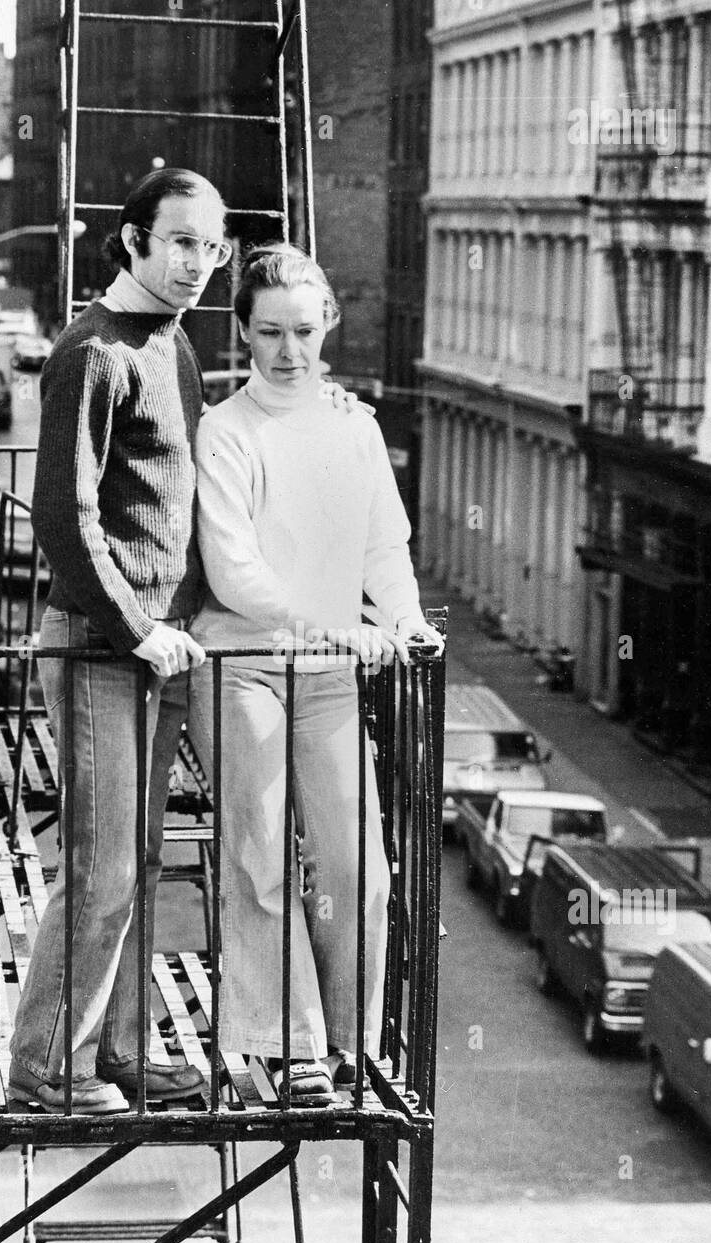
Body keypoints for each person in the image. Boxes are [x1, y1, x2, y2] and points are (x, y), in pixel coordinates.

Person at [10, 171, 367, 1115]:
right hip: (100, 644)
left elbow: (185, 516)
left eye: (211, 248)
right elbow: (63, 514)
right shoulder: (91, 352)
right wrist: (137, 630)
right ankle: (48, 1069)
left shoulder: (170, 350)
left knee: (142, 864)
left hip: (162, 647)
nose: (197, 264)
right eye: (178, 242)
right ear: (130, 242)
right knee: (104, 864)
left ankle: (119, 1054)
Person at [187, 245, 443, 1102]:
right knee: (259, 854)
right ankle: (289, 1047)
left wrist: (402, 619)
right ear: (244, 334)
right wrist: (333, 627)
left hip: (328, 677)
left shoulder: (355, 426)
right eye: (269, 333)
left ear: (327, 322)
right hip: (242, 669)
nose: (289, 351)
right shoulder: (225, 432)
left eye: (303, 330)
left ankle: (350, 1043)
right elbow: (233, 573)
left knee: (355, 866)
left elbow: (383, 547)